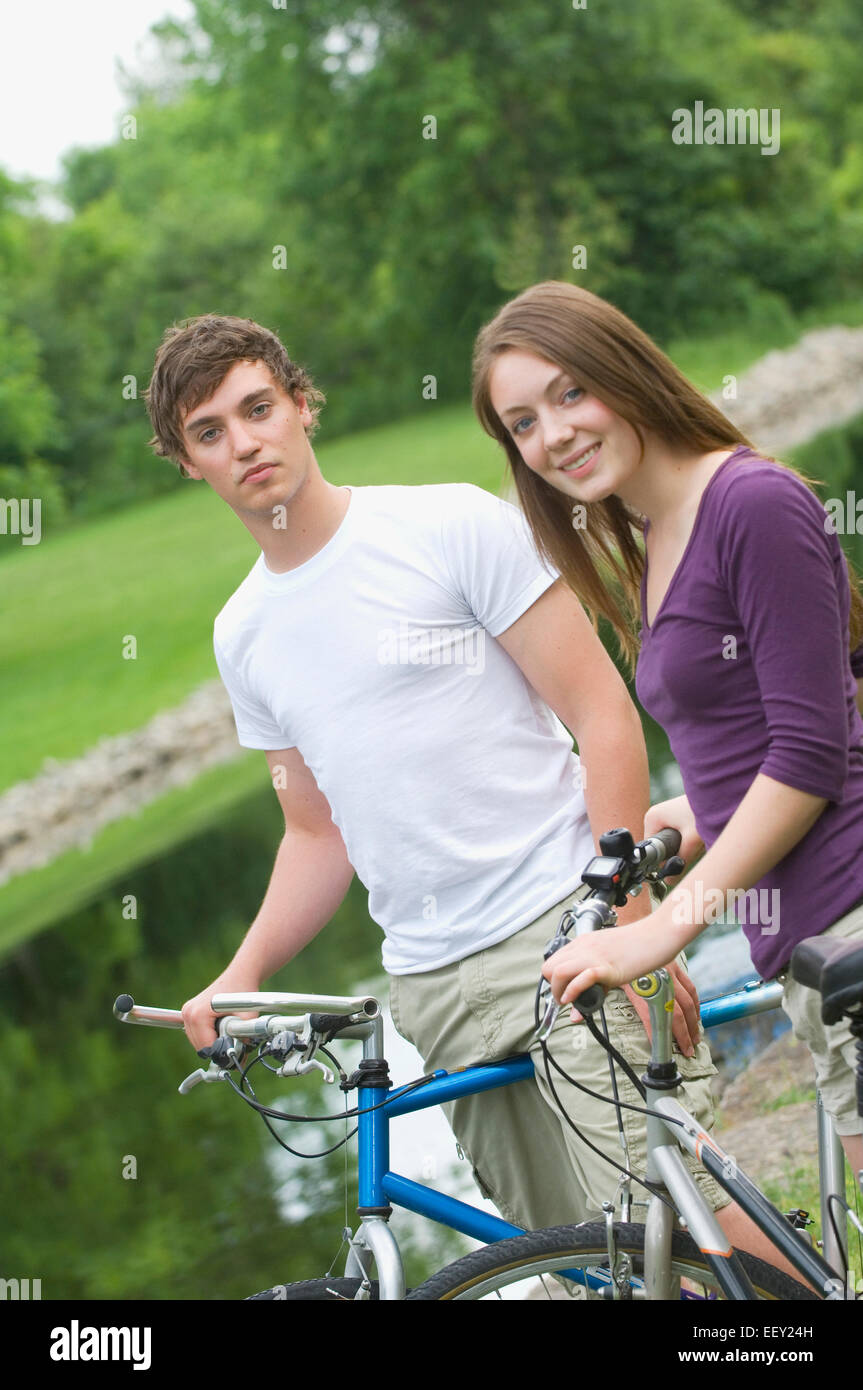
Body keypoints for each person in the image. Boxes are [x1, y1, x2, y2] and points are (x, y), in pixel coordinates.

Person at [143, 312, 769, 1259]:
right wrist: (244, 972)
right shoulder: (244, 637)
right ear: (187, 461)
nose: (244, 443)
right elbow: (316, 834)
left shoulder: (449, 524)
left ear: (302, 404)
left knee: (674, 1231)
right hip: (432, 988)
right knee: (572, 1261)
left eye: (257, 408)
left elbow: (602, 714)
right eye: (209, 432)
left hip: (567, 923)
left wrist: (629, 914)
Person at [472, 279, 863, 1182]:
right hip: (810, 954)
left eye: (571, 392)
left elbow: (808, 755)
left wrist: (664, 931)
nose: (554, 434)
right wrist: (703, 805)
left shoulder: (746, 504)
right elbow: (806, 704)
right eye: (522, 423)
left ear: (626, 371)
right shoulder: (661, 537)